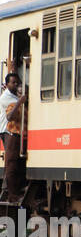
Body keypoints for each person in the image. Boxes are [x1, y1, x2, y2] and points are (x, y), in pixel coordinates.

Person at [1, 72, 27, 202]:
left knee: (15, 163)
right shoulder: (7, 98)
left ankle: (12, 189)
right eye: (13, 82)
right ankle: (12, 194)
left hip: (13, 132)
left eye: (17, 82)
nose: (16, 85)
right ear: (7, 84)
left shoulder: (13, 96)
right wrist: (20, 102)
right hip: (8, 132)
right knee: (11, 163)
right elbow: (10, 116)